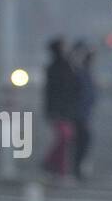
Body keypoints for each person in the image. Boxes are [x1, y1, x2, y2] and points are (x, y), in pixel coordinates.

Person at [42, 37, 78, 180]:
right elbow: (53, 92)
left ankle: (51, 164)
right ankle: (56, 167)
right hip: (60, 110)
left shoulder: (63, 65)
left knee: (64, 138)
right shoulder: (57, 67)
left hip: (63, 109)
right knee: (64, 138)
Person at [71, 41, 98, 180]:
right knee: (82, 141)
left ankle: (76, 168)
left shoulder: (84, 72)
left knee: (82, 141)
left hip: (83, 113)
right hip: (78, 113)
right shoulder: (79, 73)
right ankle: (75, 169)